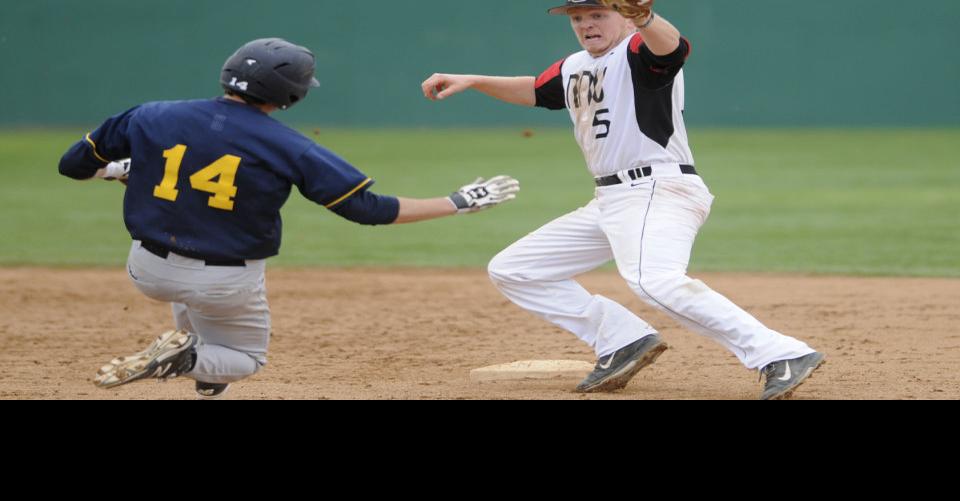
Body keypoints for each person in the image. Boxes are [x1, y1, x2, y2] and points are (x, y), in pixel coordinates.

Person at [60, 38, 520, 399]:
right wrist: (460, 200)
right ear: (291, 94)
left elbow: (73, 165)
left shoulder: (150, 115)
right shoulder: (288, 146)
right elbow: (368, 209)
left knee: (194, 298)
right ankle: (188, 360)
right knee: (245, 358)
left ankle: (200, 367)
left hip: (147, 271)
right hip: (224, 281)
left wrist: (121, 169)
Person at [421, 0, 824, 400]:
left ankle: (781, 354)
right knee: (515, 269)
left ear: (625, 18)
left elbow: (674, 49)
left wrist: (645, 18)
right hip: (611, 199)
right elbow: (536, 91)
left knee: (654, 280)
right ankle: (623, 340)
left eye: (598, 14)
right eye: (578, 17)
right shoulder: (575, 66)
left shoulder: (636, 51)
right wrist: (473, 79)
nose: (586, 24)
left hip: (657, 189)